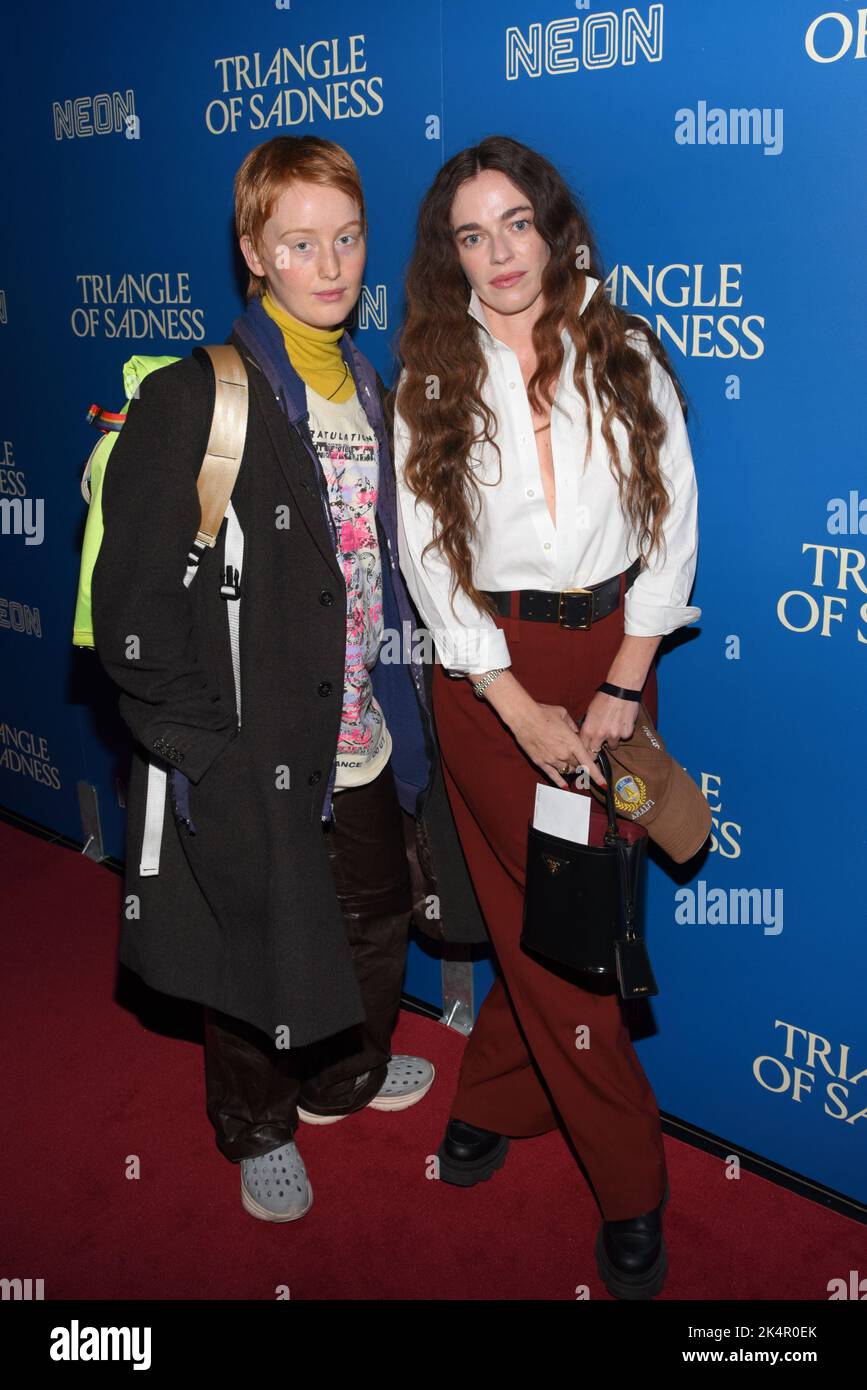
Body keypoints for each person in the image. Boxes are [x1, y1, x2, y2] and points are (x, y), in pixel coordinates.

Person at [92, 134, 488, 1224]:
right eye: (301, 243)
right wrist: (198, 750)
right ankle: (255, 1119)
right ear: (252, 252)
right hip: (247, 741)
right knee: (254, 937)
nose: (330, 265)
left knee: (371, 915)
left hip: (366, 729)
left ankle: (342, 1075)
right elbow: (132, 609)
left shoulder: (376, 386)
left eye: (348, 239)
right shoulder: (197, 399)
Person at [391, 135, 700, 1299]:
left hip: (612, 652)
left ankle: (491, 1095)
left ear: (553, 224)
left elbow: (672, 522)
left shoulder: (622, 345)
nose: (498, 251)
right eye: (471, 233)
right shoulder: (432, 368)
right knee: (549, 910)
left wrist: (624, 678)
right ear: (449, 255)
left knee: (566, 910)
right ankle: (634, 1180)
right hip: (491, 675)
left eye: (514, 221)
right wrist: (513, 703)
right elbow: (428, 554)